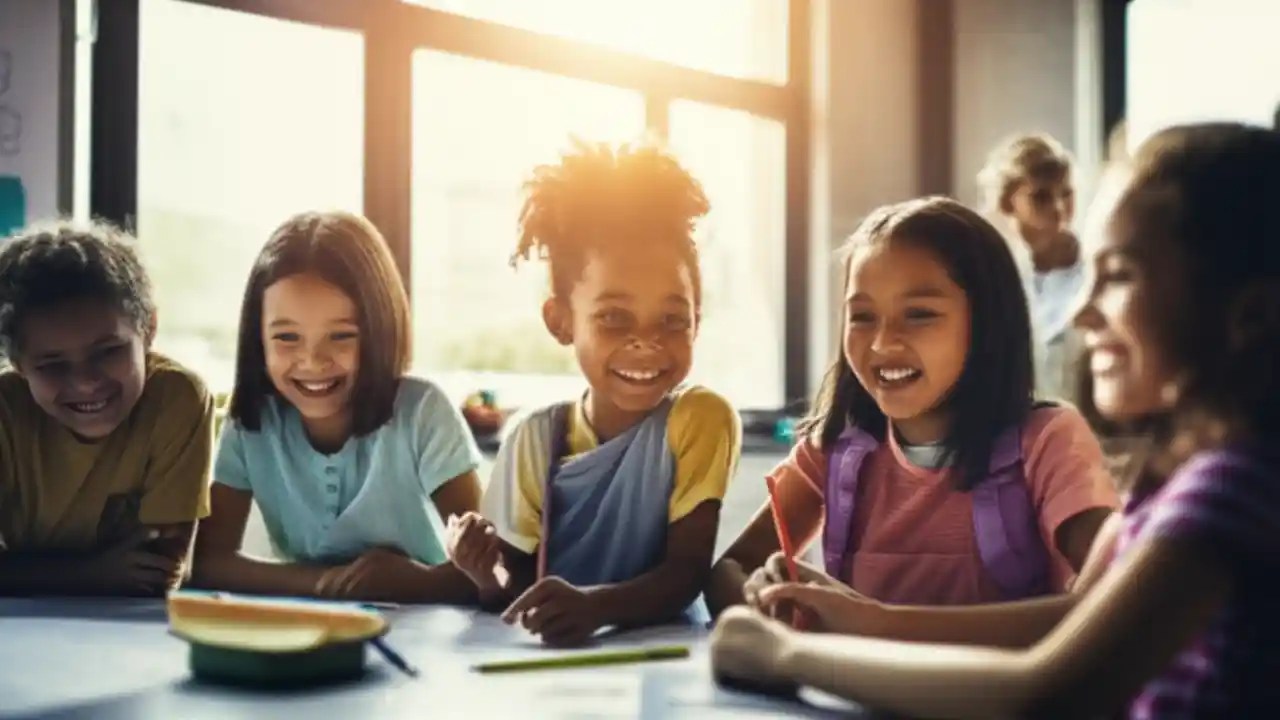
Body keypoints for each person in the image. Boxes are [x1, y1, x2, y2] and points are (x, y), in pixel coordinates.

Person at [711, 123, 1280, 719]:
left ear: (1252, 315)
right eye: (861, 317)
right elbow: (1083, 616)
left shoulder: (1233, 491)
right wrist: (851, 616)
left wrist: (788, 655)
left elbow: (1053, 689)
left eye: (1117, 276)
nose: (1083, 313)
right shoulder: (1168, 489)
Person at [707, 197, 1116, 619]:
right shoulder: (833, 451)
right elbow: (730, 570)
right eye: (862, 317)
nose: (883, 343)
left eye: (919, 315)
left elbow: (1109, 603)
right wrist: (765, 597)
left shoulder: (1047, 441)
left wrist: (872, 622)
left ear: (987, 323)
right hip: (846, 686)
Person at [447, 140, 742, 646]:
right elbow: (510, 591)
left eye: (672, 319)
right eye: (613, 318)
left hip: (669, 655)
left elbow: (685, 574)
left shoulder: (700, 418)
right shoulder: (534, 437)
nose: (646, 342)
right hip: (557, 660)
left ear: (696, 319)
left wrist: (594, 607)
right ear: (560, 321)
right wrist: (478, 570)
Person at [190, 210, 483, 603]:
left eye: (341, 335)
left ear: (380, 330)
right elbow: (210, 563)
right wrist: (327, 583)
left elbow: (491, 570)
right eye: (287, 337)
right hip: (308, 629)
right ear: (257, 338)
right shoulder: (251, 422)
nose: (313, 360)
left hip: (423, 625)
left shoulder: (423, 412)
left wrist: (414, 582)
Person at [0, 220, 213, 596]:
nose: (85, 382)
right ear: (17, 363)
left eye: (108, 351)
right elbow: (125, 572)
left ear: (148, 330)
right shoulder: (6, 410)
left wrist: (27, 572)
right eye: (52, 365)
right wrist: (90, 573)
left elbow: (156, 572)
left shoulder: (176, 400)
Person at [979, 133, 1086, 402]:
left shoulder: (1094, 271)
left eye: (1067, 194)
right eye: (1041, 197)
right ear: (1007, 202)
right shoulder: (992, 276)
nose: (1059, 208)